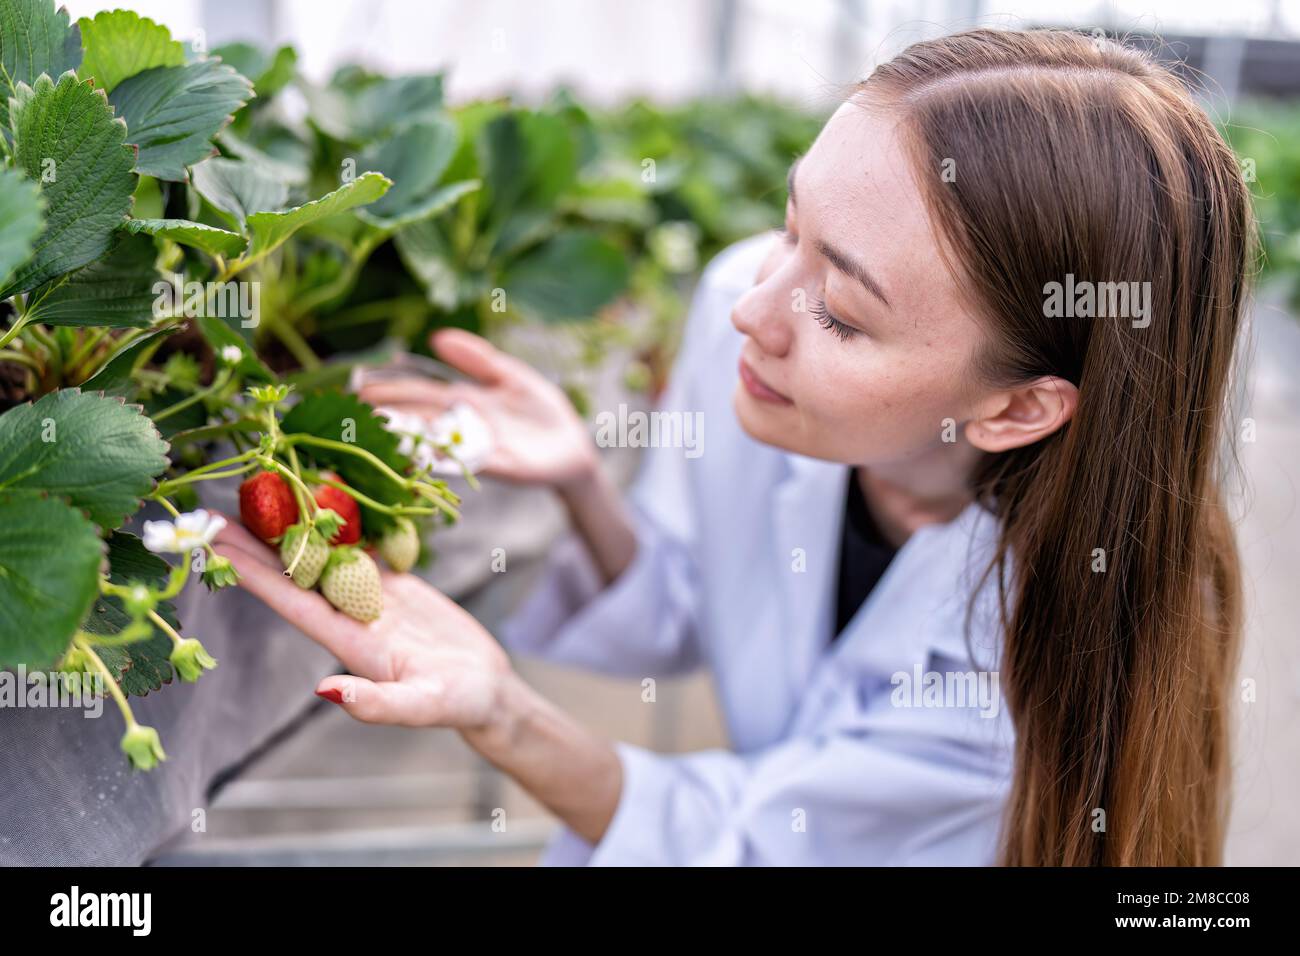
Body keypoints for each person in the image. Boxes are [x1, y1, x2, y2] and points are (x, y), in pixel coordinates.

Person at [213, 27, 1253, 866]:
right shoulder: (743, 312)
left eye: (842, 311)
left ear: (1017, 410)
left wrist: (500, 709)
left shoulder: (1035, 659)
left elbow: (752, 834)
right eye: (785, 223)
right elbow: (691, 598)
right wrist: (584, 483)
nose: (755, 305)